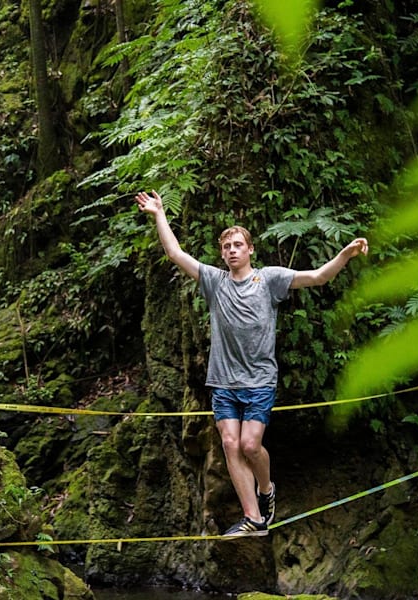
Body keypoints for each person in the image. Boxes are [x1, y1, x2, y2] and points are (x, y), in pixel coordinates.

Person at [136, 190, 369, 537]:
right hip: (223, 381)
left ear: (250, 250)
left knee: (249, 445)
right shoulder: (214, 282)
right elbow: (175, 253)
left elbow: (319, 276)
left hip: (259, 380)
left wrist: (345, 254)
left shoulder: (269, 279)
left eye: (238, 245)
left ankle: (266, 490)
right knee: (230, 444)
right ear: (222, 254)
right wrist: (158, 214)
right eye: (226, 246)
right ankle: (254, 518)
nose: (232, 250)